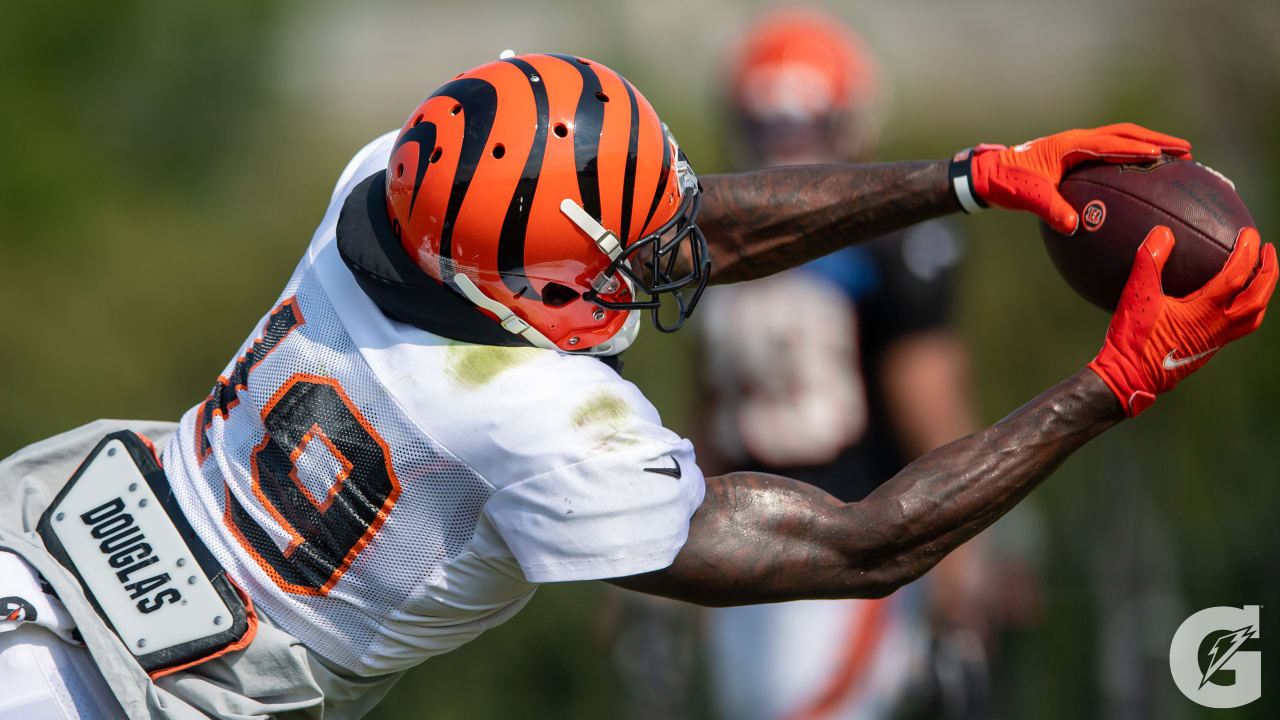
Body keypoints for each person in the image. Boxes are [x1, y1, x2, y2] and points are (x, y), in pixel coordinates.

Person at [0, 52, 1270, 720]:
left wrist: (970, 176)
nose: (671, 249)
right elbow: (859, 545)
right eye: (619, 258)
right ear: (530, 295)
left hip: (44, 554)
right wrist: (1111, 381)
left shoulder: (382, 197)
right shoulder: (537, 420)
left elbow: (688, 225)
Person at [690, 11, 988, 718]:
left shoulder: (709, 240)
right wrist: (967, 558)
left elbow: (703, 422)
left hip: (734, 543)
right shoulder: (887, 242)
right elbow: (932, 413)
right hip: (849, 540)